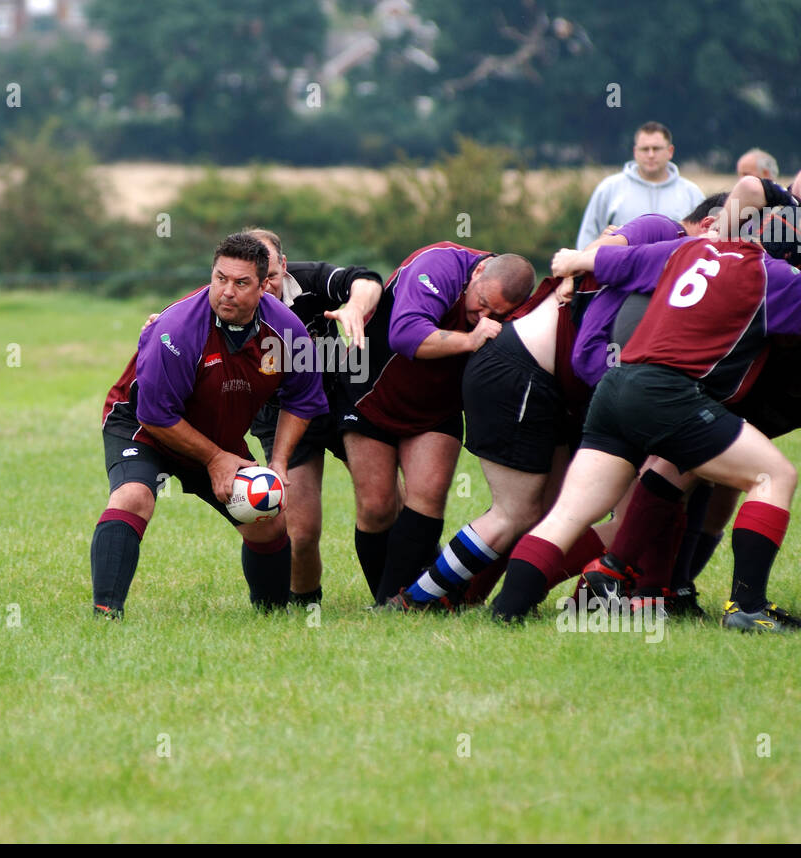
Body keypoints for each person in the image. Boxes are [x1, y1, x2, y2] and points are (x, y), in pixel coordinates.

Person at [491, 192, 801, 632]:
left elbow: (612, 263)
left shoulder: (685, 248)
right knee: (774, 476)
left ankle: (505, 614)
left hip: (616, 385)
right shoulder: (771, 274)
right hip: (668, 394)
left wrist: (573, 261)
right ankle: (749, 608)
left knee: (568, 514)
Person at [91, 233, 327, 619]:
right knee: (134, 496)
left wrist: (280, 463)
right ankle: (106, 613)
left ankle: (272, 616)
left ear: (265, 284)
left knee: (266, 516)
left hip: (216, 435)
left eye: (241, 282)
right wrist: (217, 459)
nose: (227, 292)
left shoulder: (287, 330)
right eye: (220, 278)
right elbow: (157, 415)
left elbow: (302, 401)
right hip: (142, 425)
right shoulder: (178, 329)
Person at [338, 243, 535, 604]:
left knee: (428, 499)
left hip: (437, 408)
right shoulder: (438, 265)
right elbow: (406, 334)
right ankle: (385, 598)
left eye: (497, 313)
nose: (484, 315)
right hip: (370, 393)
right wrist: (471, 340)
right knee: (377, 505)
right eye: (482, 302)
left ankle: (393, 605)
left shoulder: (514, 306)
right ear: (478, 273)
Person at [242, 229, 383, 605]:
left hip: (338, 400)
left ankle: (401, 596)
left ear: (284, 266)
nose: (263, 286)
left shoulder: (311, 280)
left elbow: (367, 281)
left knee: (384, 502)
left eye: (270, 275)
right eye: (253, 278)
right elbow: (183, 327)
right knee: (301, 533)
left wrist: (355, 306)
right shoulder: (232, 297)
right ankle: (306, 608)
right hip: (281, 415)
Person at [576, 122, 705, 249]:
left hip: (675, 269)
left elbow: (705, 240)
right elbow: (587, 239)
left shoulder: (691, 193)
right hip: (622, 269)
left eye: (656, 149)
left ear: (670, 151)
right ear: (635, 152)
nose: (651, 155)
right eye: (645, 149)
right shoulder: (609, 189)